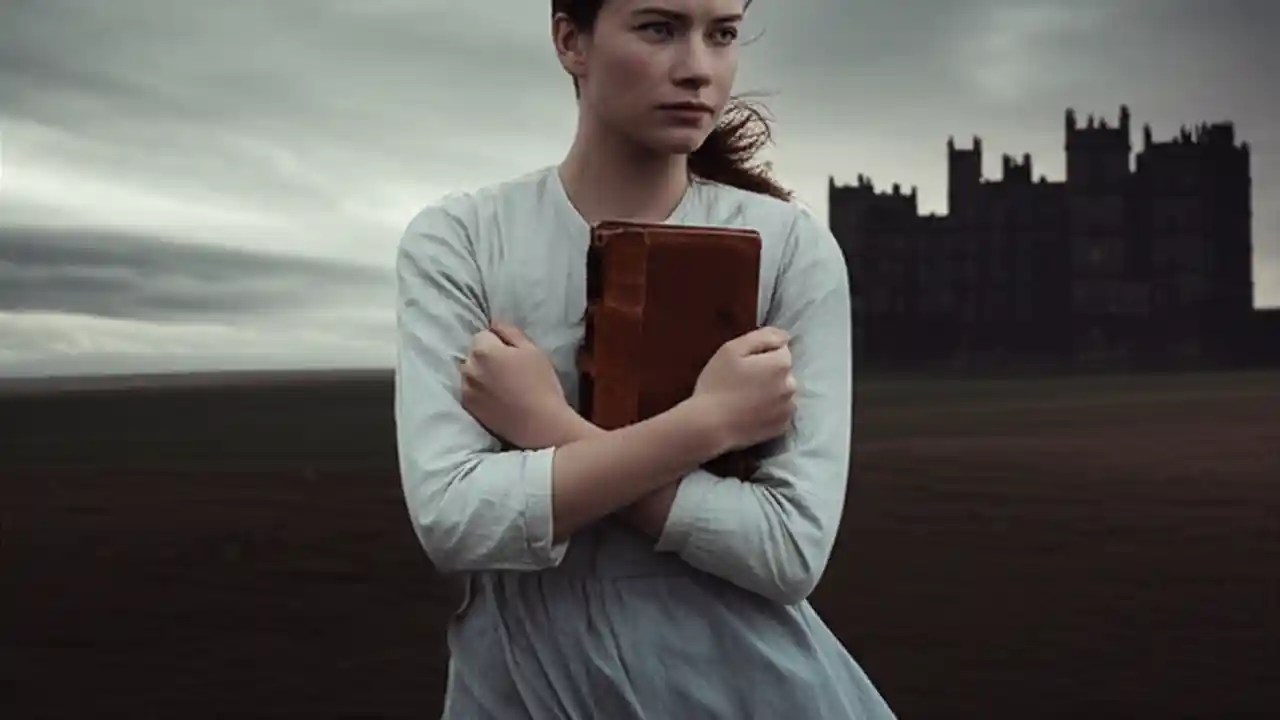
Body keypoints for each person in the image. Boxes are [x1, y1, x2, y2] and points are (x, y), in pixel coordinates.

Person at [393, 0, 896, 717]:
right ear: (571, 40)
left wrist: (546, 427)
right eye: (659, 28)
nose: (698, 69)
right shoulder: (463, 239)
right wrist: (706, 425)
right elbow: (456, 520)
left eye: (722, 34)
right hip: (525, 689)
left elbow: (789, 551)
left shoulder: (790, 247)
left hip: (747, 690)